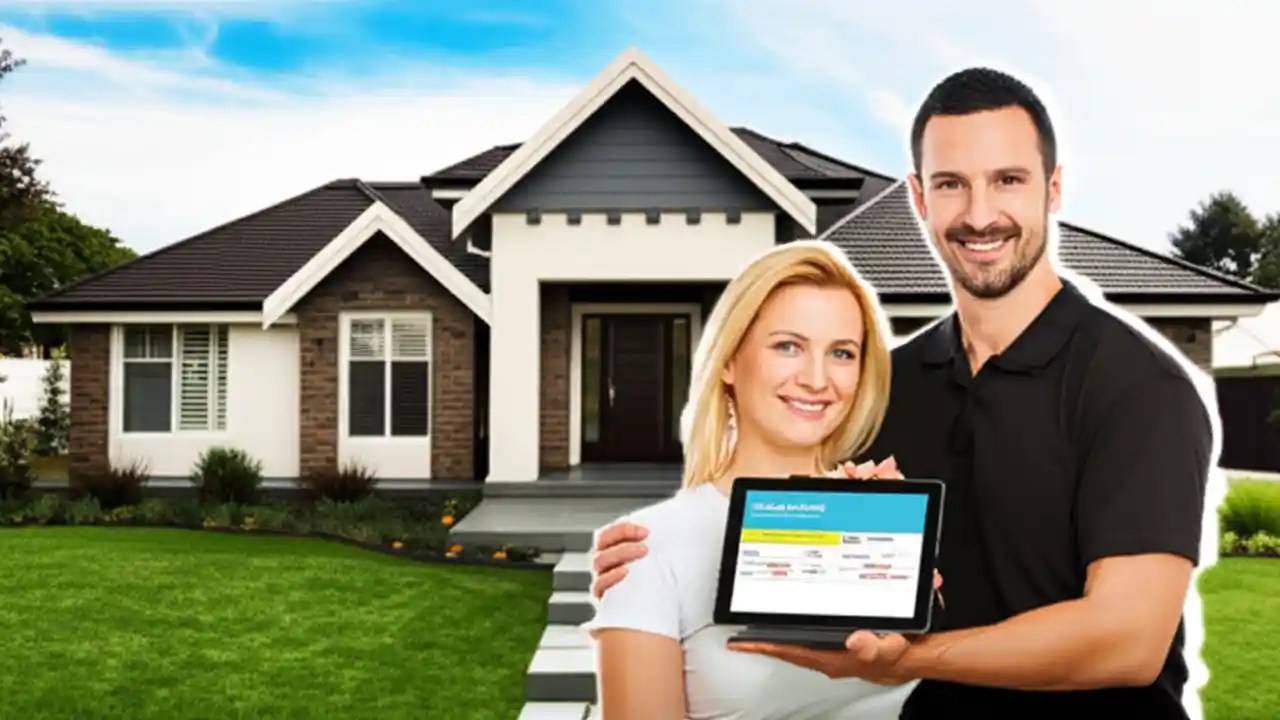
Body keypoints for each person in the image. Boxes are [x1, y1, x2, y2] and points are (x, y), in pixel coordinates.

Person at [589, 67, 1217, 719]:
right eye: (952, 184)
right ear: (919, 198)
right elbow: (791, 492)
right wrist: (651, 560)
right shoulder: (885, 385)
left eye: (1008, 179)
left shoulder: (1140, 388)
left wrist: (915, 659)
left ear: (1053, 189)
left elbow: (1128, 643)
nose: (979, 215)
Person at [582, 239, 919, 719]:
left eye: (842, 353)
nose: (818, 379)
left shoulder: (888, 522)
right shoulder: (648, 549)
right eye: (788, 346)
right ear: (728, 362)